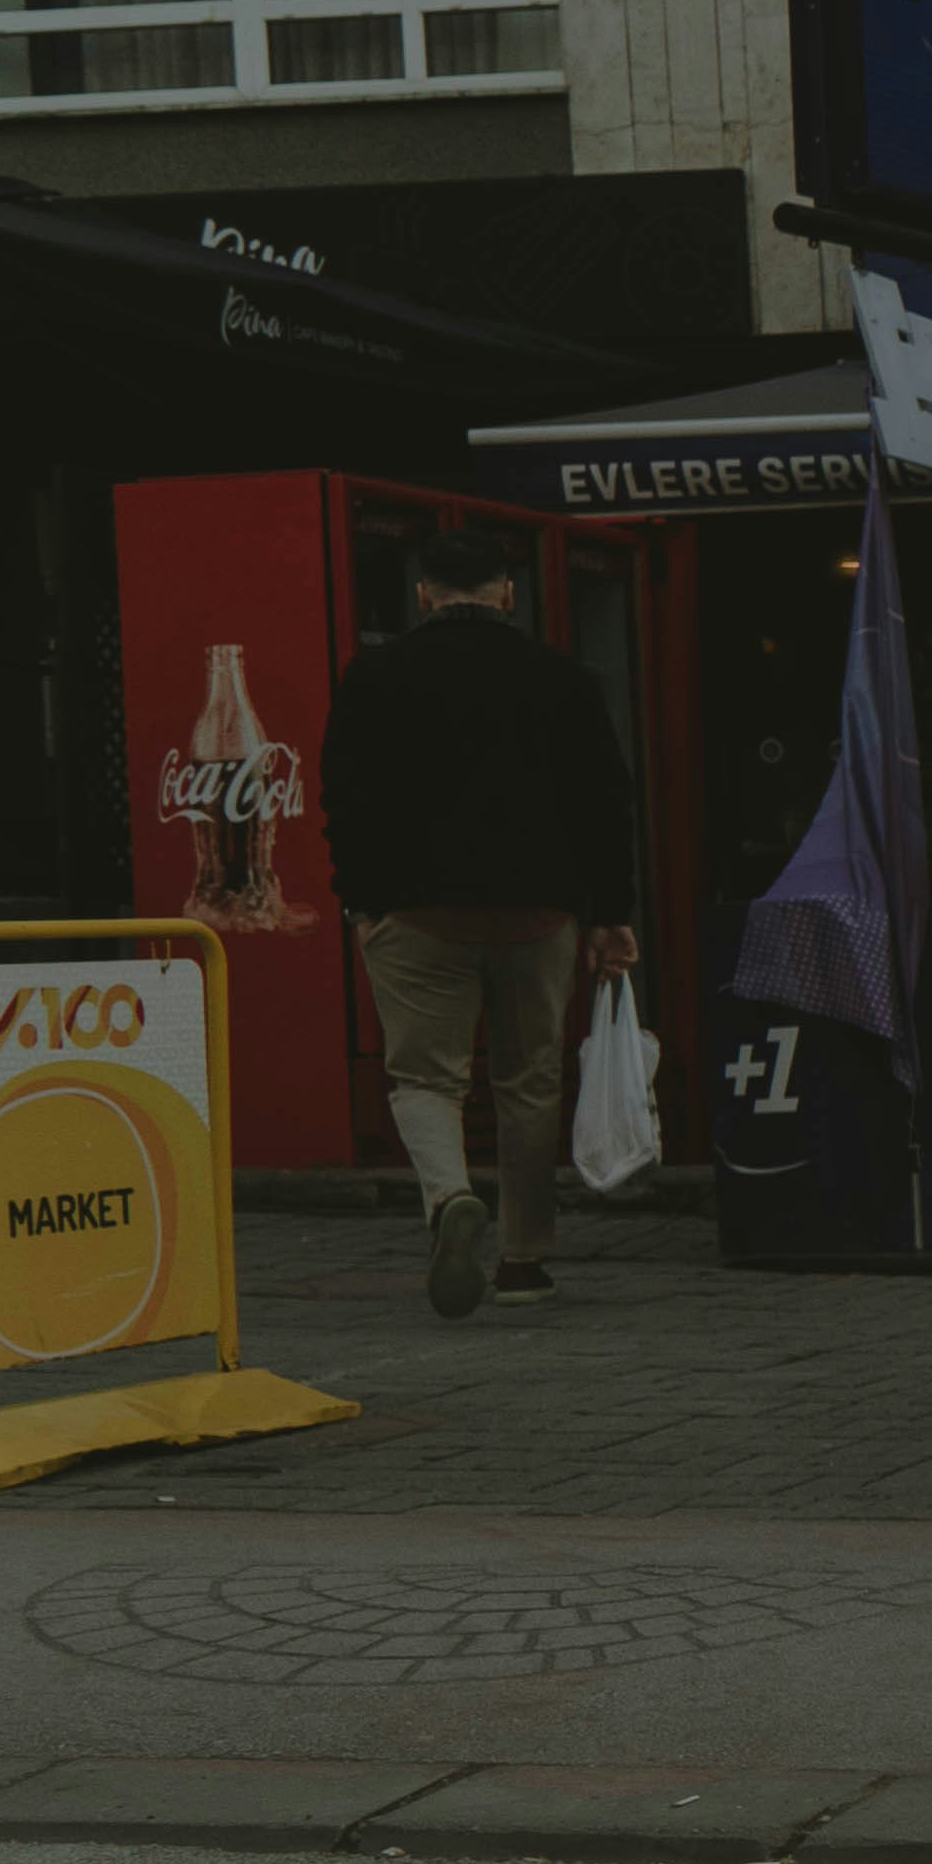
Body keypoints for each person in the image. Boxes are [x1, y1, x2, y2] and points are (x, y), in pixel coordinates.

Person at [318, 540, 641, 1319]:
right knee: (528, 1080)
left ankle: (449, 1199)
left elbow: (344, 796)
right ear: (505, 595)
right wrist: (610, 915)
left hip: (417, 911)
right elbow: (606, 800)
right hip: (538, 911)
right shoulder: (564, 678)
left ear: (424, 595)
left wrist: (362, 900)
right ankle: (525, 1258)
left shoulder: (376, 675)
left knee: (426, 1077)